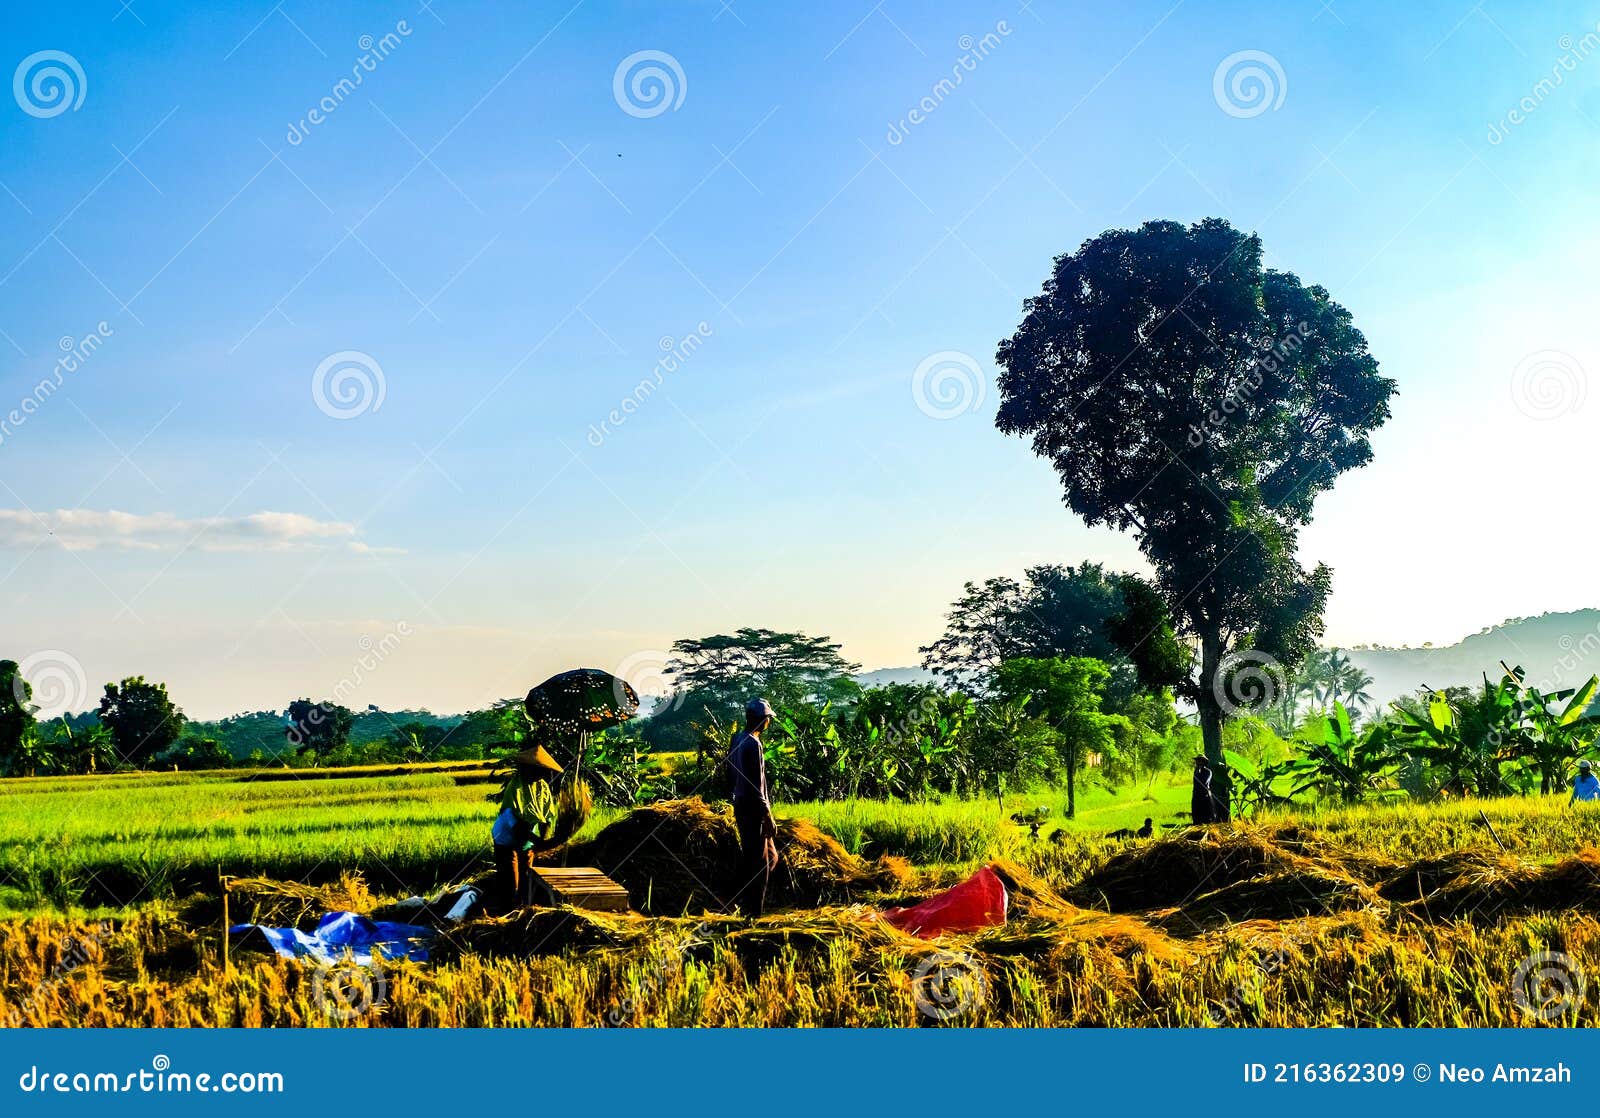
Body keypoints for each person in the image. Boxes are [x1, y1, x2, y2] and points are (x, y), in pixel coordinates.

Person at [728, 697, 780, 917]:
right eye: (768, 719)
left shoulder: (737, 739)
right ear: (763, 720)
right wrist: (767, 815)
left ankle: (746, 903)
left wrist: (733, 796)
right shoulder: (753, 743)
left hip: (741, 805)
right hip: (753, 808)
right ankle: (753, 912)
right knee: (760, 862)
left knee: (767, 855)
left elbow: (730, 774)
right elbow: (757, 785)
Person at [1191, 756, 1215, 825]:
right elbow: (1195, 782)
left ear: (1204, 762)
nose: (1197, 762)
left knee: (1206, 813)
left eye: (1199, 761)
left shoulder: (1208, 772)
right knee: (1196, 813)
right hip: (1196, 795)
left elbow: (1203, 782)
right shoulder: (1196, 771)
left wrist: (1198, 772)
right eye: (1197, 761)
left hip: (1205, 796)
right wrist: (1197, 771)